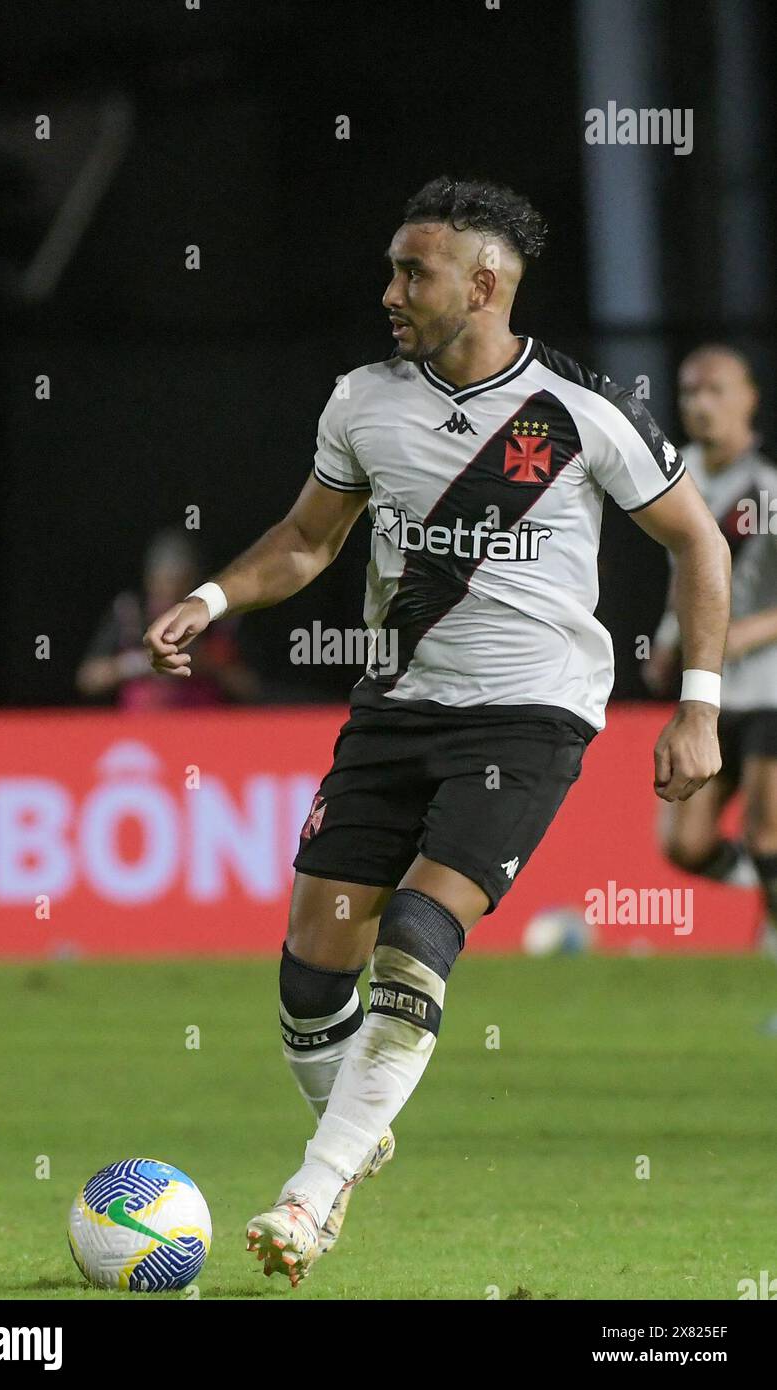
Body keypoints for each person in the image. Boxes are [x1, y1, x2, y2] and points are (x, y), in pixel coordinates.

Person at [144, 177, 729, 1287]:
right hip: (395, 709)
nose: (390, 292)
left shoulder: (581, 411)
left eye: (413, 272)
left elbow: (697, 542)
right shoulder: (361, 401)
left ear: (484, 281)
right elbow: (308, 541)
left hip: (530, 712)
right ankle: (354, 1132)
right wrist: (214, 601)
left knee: (419, 923)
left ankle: (311, 1198)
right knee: (312, 979)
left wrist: (695, 701)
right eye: (392, 268)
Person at [645, 346, 777, 949]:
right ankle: (766, 885)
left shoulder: (768, 487)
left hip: (770, 685)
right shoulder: (675, 475)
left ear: (749, 396)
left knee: (767, 831)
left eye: (716, 390)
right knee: (684, 844)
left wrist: (751, 632)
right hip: (711, 690)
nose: (700, 404)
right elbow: (684, 573)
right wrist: (671, 638)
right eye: (690, 392)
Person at [77, 528, 260, 710]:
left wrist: (205, 664)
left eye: (180, 585)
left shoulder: (219, 619)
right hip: (141, 729)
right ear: (150, 580)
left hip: (203, 726)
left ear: (195, 582)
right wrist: (139, 664)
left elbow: (252, 687)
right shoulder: (128, 613)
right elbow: (88, 679)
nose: (170, 594)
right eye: (164, 584)